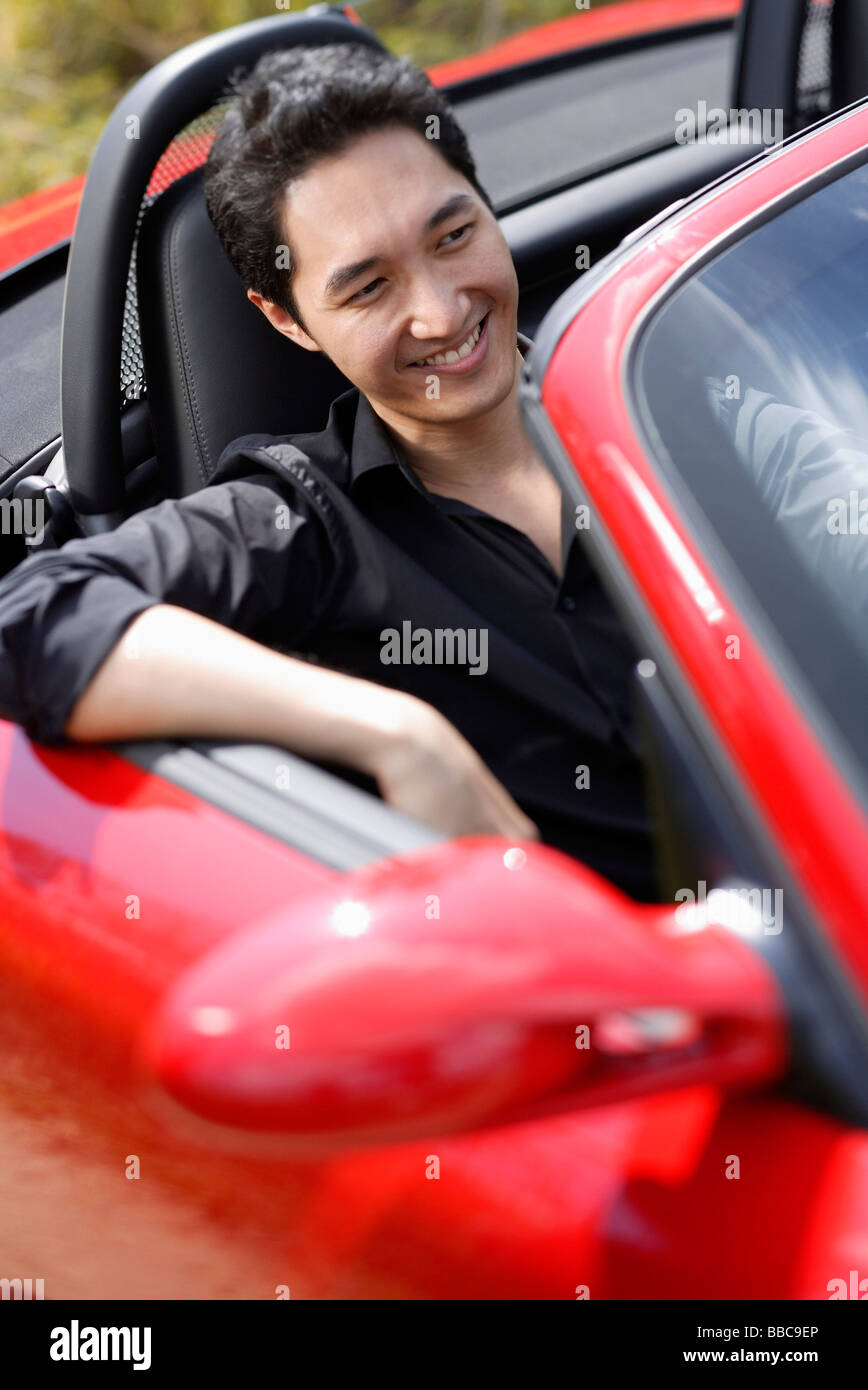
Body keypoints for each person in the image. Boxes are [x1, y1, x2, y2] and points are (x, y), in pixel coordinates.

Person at [0, 43, 659, 900]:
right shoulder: (301, 520)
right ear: (287, 320)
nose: (441, 309)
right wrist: (395, 731)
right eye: (368, 289)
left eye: (454, 236)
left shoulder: (653, 381)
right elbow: (32, 616)